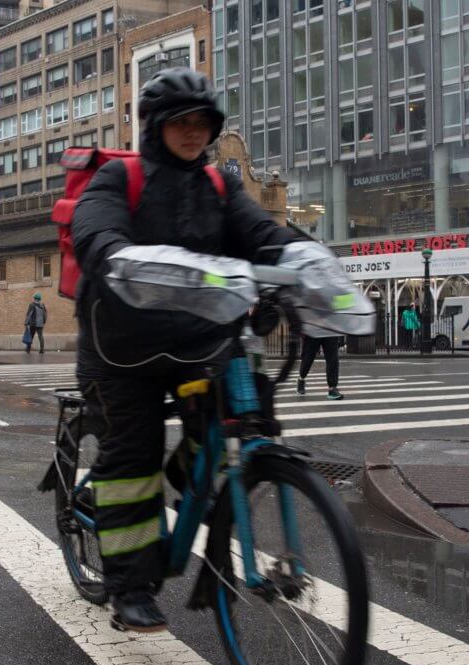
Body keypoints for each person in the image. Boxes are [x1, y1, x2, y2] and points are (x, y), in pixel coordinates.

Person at [70, 67, 299, 632]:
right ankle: (129, 586)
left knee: (236, 420)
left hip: (198, 344)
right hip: (121, 350)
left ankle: (178, 485)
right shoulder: (118, 181)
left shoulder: (221, 187)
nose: (194, 132)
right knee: (135, 454)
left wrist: (303, 260)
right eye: (181, 122)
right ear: (156, 127)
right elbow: (95, 232)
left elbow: (263, 233)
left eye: (203, 123)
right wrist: (117, 253)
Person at [297, 333, 343, 399]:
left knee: (333, 359)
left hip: (330, 330)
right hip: (313, 330)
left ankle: (332, 388)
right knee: (308, 358)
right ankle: (301, 378)